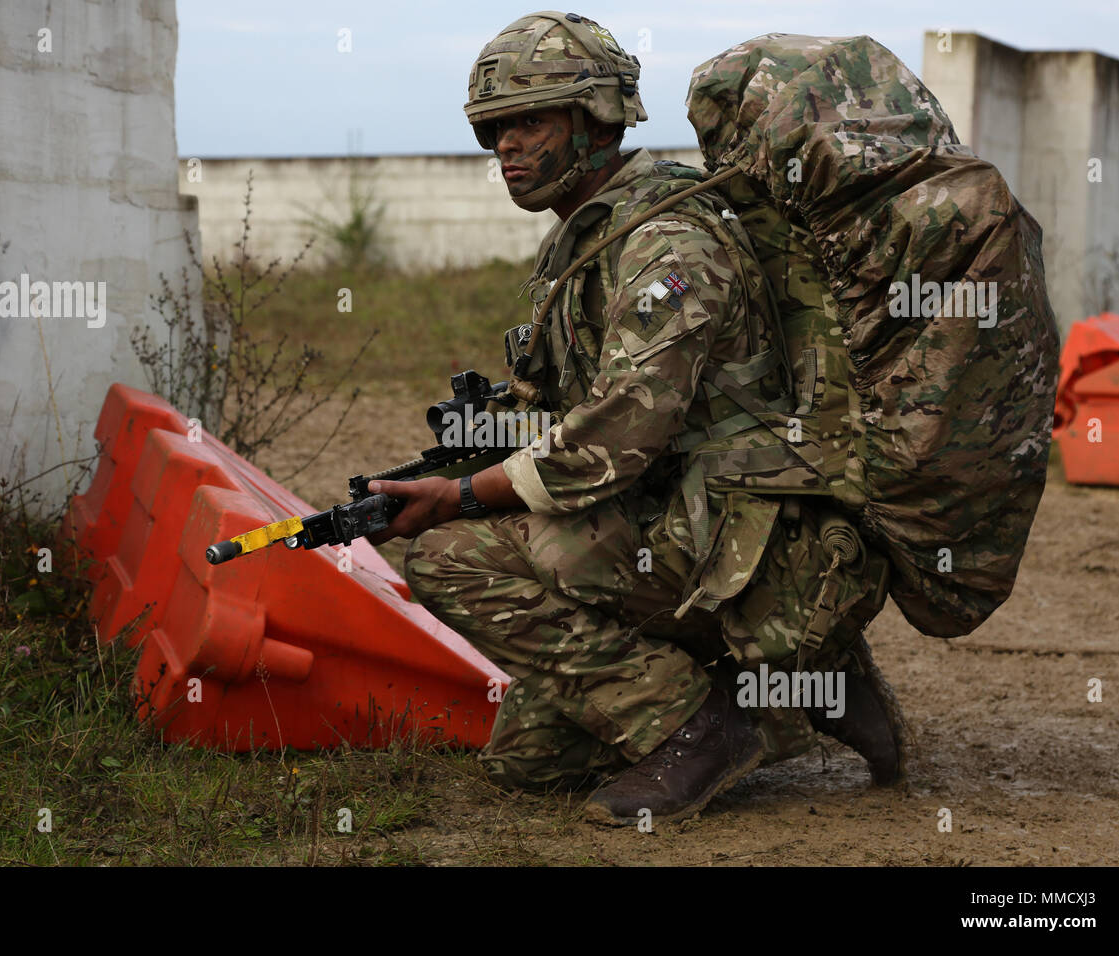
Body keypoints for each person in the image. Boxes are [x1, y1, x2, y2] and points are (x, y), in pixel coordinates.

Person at [366, 11, 907, 825]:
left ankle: (705, 727)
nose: (506, 148)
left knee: (450, 558)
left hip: (740, 531)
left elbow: (616, 435)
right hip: (692, 514)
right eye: (493, 130)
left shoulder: (666, 243)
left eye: (530, 121)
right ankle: (797, 679)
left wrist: (459, 496)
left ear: (599, 119)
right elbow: (568, 410)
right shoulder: (590, 237)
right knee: (528, 762)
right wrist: (466, 452)